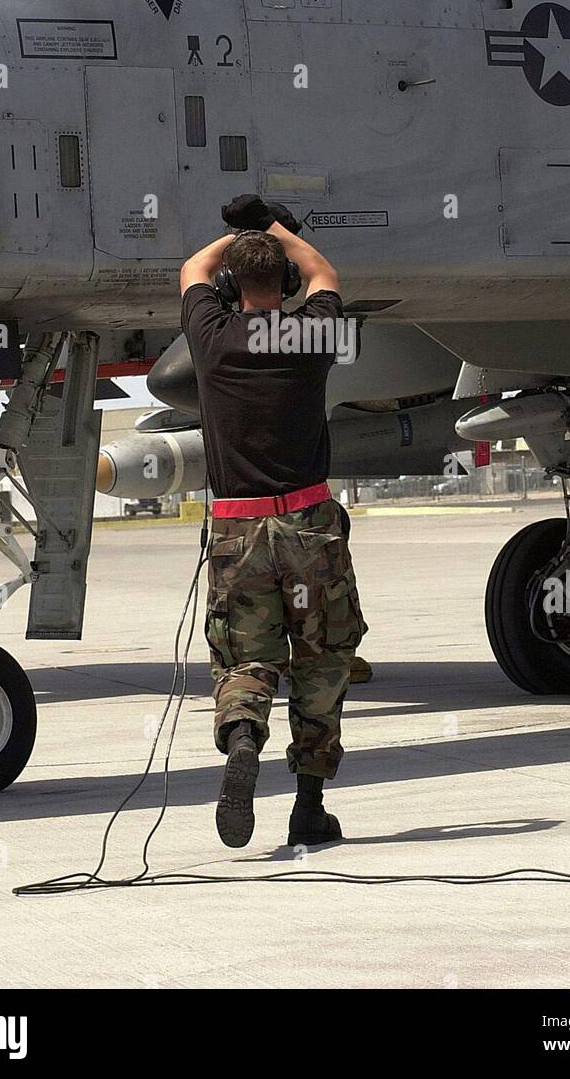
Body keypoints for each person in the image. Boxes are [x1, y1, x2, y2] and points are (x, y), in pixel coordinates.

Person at [180, 196, 367, 849]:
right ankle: (309, 807)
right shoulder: (309, 335)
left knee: (244, 658)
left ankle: (241, 740)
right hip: (310, 523)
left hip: (238, 530)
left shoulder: (211, 336)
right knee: (321, 660)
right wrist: (277, 228)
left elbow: (192, 270)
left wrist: (235, 236)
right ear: (283, 285)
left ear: (231, 285)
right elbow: (324, 273)